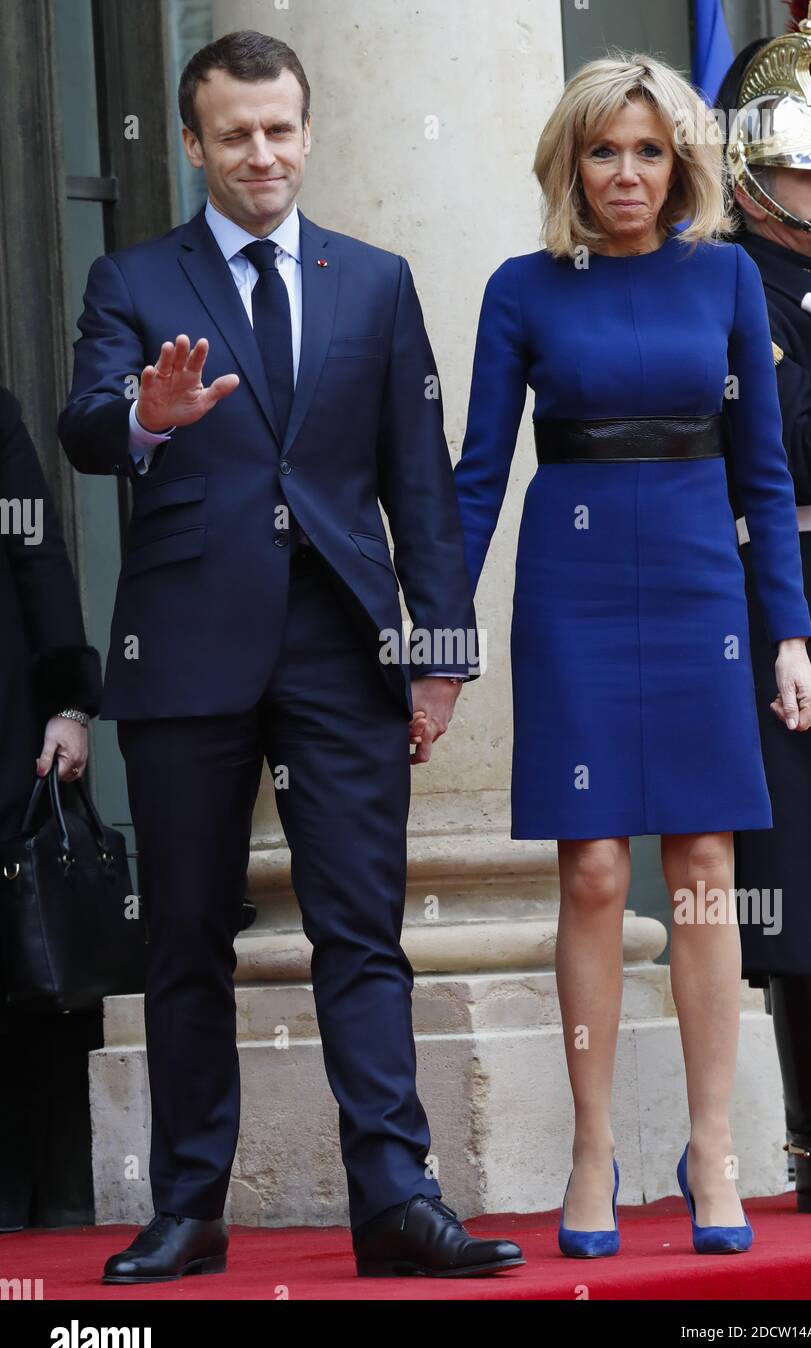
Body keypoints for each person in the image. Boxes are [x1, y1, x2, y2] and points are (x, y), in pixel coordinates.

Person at [59, 29, 524, 1281]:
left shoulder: (374, 281)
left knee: (362, 931)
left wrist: (437, 652)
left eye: (279, 130)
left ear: (307, 134)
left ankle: (394, 1199)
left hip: (342, 645)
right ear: (195, 144)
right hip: (187, 646)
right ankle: (189, 1206)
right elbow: (85, 420)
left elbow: (418, 483)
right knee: (187, 937)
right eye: (234, 134)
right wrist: (143, 420)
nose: (261, 154)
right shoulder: (132, 279)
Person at [452, 51, 811, 1257]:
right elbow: (475, 479)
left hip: (695, 582)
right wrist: (439, 635)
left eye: (649, 151)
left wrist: (787, 634)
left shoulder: (721, 279)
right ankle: (591, 1145)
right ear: (571, 160)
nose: (626, 173)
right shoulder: (519, 288)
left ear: (681, 166)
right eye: (605, 150)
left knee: (707, 856)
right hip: (570, 585)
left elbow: (763, 475)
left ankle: (711, 1144)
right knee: (595, 872)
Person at [717, 3, 811, 1213]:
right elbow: (795, 455)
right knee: (803, 863)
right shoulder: (734, 289)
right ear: (751, 183)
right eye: (802, 170)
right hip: (794, 587)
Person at [0, 385, 101, 1229]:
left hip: (7, 735)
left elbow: (37, 550)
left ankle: (59, 1198)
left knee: (32, 958)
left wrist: (69, 702)